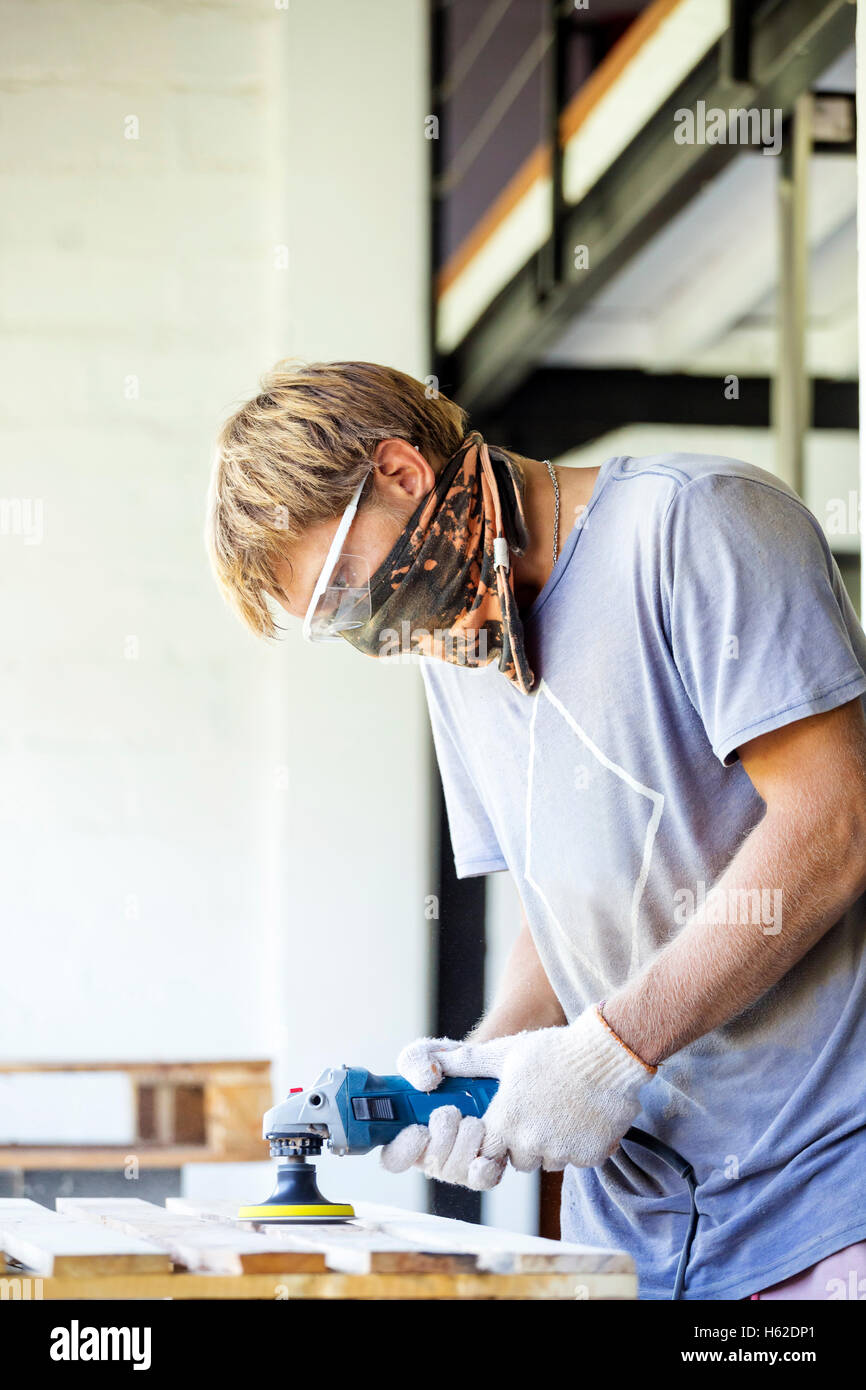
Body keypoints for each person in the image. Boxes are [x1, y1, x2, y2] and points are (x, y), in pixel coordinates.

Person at [206, 360, 866, 1301]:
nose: (368, 632)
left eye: (347, 590)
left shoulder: (695, 525)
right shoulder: (458, 648)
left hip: (825, 1203)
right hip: (637, 1237)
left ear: (400, 472)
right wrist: (496, 1060)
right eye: (333, 623)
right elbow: (560, 906)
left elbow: (836, 824)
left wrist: (609, 1052)